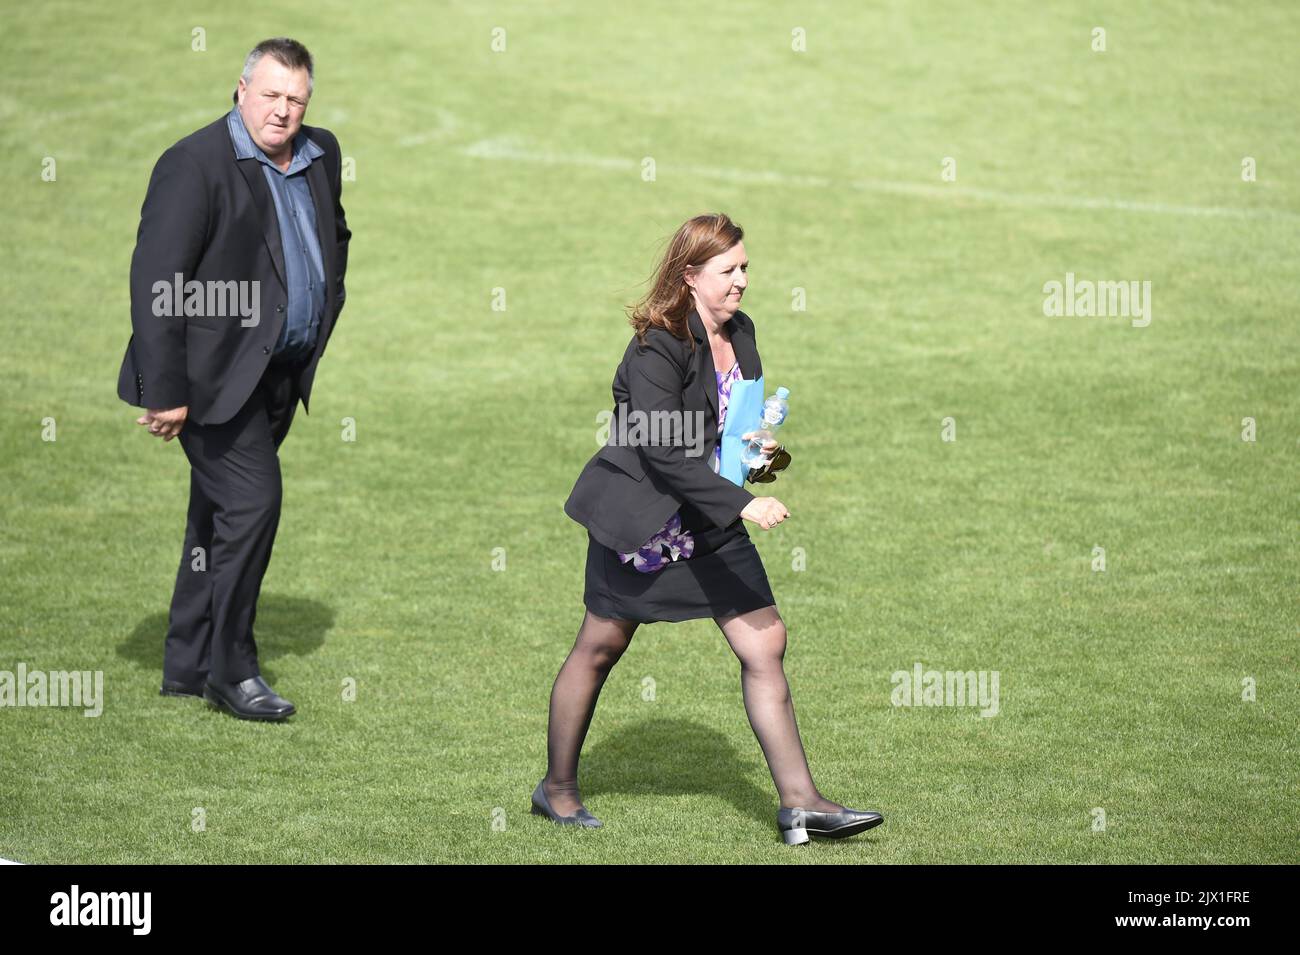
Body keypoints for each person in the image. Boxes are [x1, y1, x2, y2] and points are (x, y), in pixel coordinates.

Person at [538, 213, 883, 844]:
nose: (743, 282)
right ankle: (557, 789)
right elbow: (663, 452)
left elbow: (733, 418)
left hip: (709, 513)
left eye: (746, 267)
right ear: (690, 276)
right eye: (729, 271)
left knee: (765, 642)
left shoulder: (742, 331)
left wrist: (760, 452)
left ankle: (801, 802)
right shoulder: (656, 347)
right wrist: (743, 504)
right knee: (601, 647)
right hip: (647, 521)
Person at [116, 37, 350, 721]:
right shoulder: (193, 165)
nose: (283, 111)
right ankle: (231, 668)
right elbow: (158, 283)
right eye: (272, 95)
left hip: (277, 375)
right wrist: (166, 391)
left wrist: (323, 306)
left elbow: (333, 234)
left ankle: (186, 664)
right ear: (240, 89)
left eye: (296, 99)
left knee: (215, 517)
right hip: (210, 380)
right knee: (252, 505)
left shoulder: (321, 152)